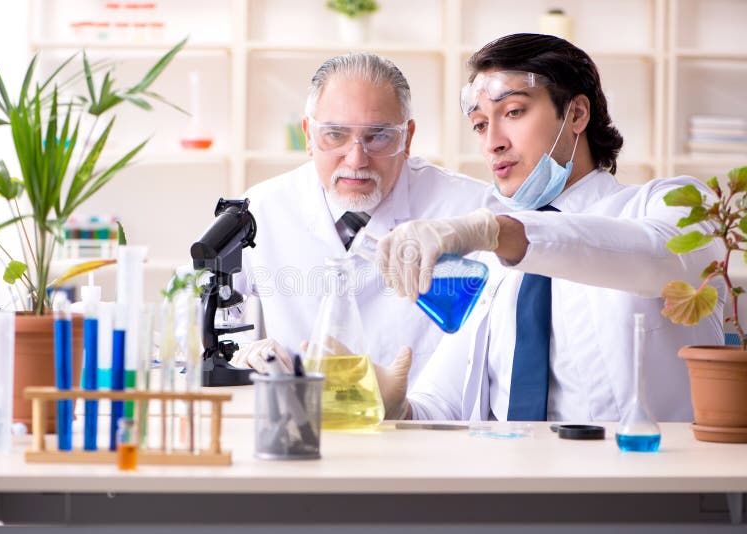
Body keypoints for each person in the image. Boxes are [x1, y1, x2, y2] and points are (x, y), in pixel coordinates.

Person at [375, 33, 725, 422]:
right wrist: (396, 408)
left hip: (636, 461)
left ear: (576, 114)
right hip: (505, 461)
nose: (492, 143)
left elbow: (657, 257)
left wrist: (498, 232)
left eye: (513, 112)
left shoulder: (667, 204)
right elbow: (446, 403)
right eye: (479, 125)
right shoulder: (491, 260)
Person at [229, 53, 488, 387]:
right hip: (303, 413)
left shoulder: (469, 207)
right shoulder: (262, 209)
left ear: (407, 138)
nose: (356, 160)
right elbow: (191, 308)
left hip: (422, 416)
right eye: (335, 134)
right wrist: (242, 350)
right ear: (309, 136)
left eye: (378, 136)